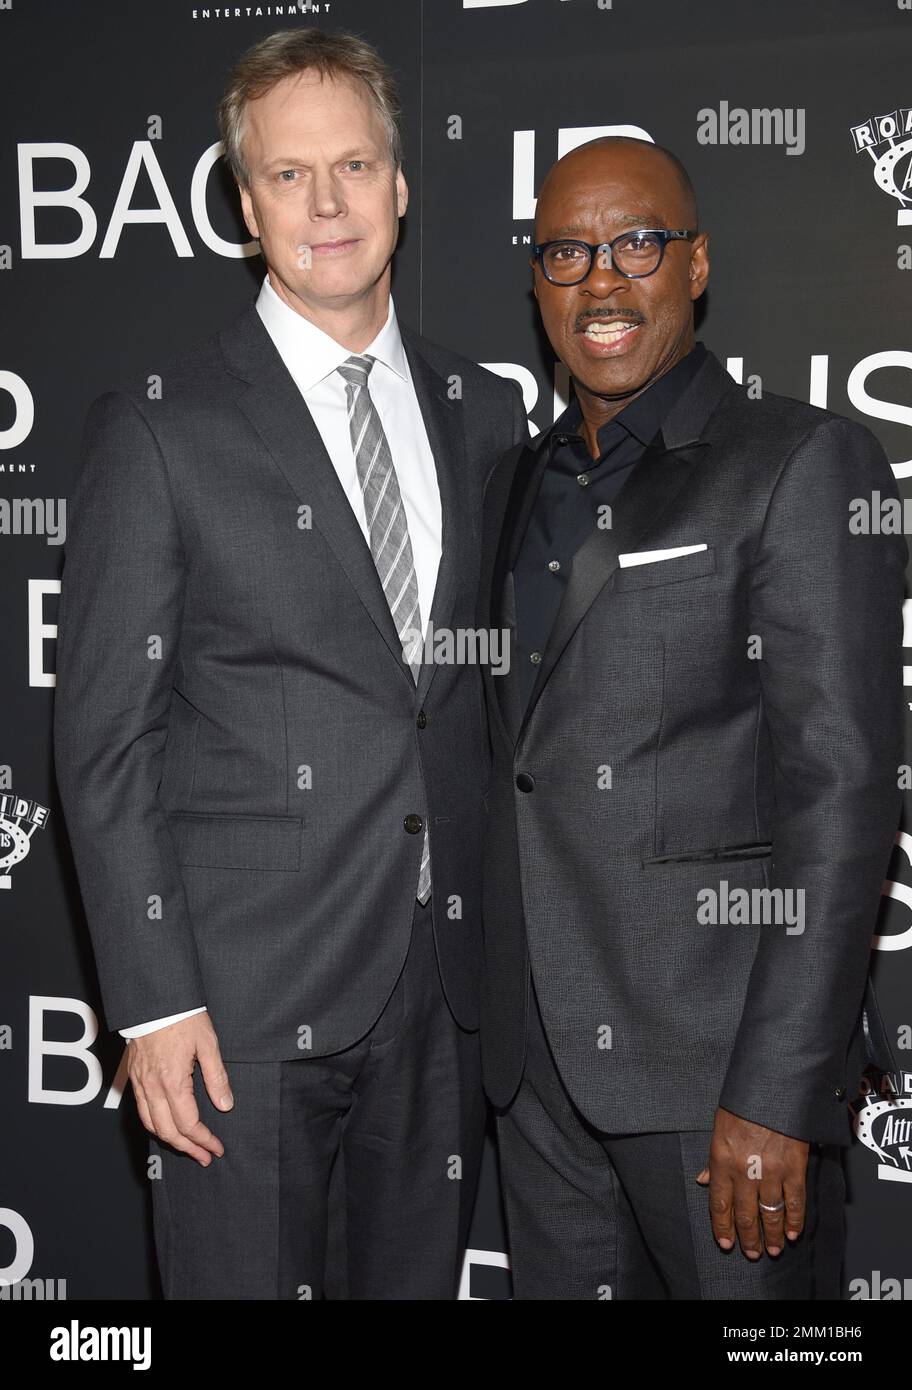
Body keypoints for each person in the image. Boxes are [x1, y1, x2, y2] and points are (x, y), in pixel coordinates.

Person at [53, 27, 526, 1300]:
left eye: (354, 166)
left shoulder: (484, 411)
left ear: (400, 185)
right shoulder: (163, 427)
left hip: (442, 992)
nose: (327, 204)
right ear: (245, 205)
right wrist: (154, 1006)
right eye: (288, 174)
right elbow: (103, 741)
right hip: (238, 1007)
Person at [477, 135, 905, 1299]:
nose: (601, 281)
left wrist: (776, 1090)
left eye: (637, 243)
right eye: (566, 253)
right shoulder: (513, 482)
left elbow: (843, 794)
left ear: (696, 262)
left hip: (718, 1084)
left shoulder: (800, 461)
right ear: (536, 279)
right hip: (537, 1078)